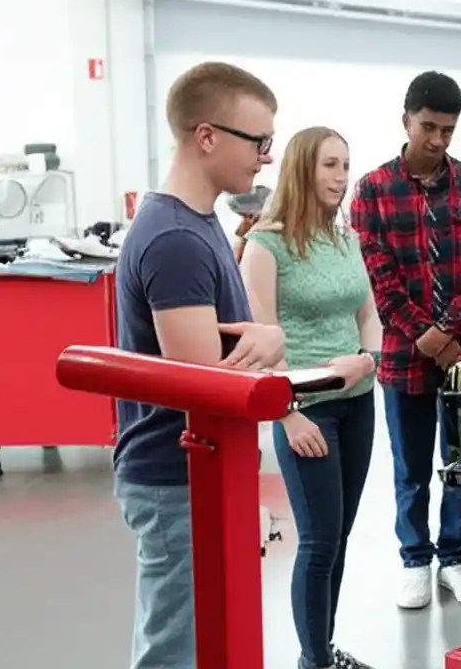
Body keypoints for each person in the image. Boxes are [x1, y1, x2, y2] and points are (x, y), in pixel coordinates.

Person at [113, 61, 286, 669]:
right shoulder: (175, 238)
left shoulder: (200, 222)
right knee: (175, 650)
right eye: (257, 140)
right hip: (177, 478)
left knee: (204, 640)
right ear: (206, 136)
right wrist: (270, 344)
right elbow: (205, 386)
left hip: (203, 474)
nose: (266, 157)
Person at [349, 71, 461, 611]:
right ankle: (415, 559)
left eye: (449, 131)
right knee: (411, 468)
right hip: (403, 355)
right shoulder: (371, 190)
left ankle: (454, 559)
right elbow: (379, 278)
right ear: (406, 120)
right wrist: (426, 336)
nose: (437, 140)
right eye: (428, 127)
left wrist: (448, 330)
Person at [240, 127, 382, 669]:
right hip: (305, 409)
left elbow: (368, 316)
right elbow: (262, 335)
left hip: (359, 400)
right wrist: (289, 415)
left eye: (345, 164)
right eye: (329, 165)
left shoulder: (346, 239)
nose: (342, 177)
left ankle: (321, 649)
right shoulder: (266, 245)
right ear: (302, 168)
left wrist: (366, 361)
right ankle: (315, 662)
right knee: (319, 541)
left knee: (340, 537)